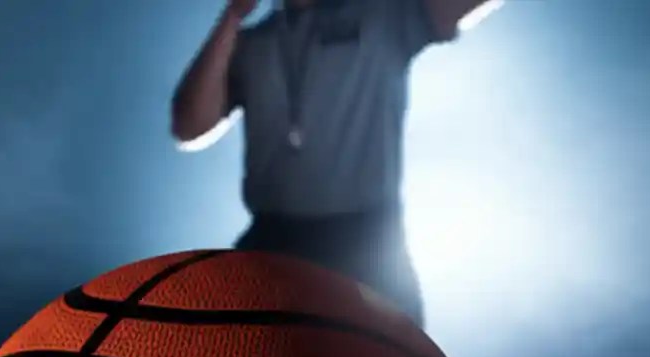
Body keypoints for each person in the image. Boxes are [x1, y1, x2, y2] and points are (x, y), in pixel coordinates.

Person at [171, 0, 499, 328]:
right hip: (271, 242)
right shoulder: (250, 42)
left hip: (365, 244)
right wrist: (232, 16)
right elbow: (189, 125)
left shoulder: (381, 16)